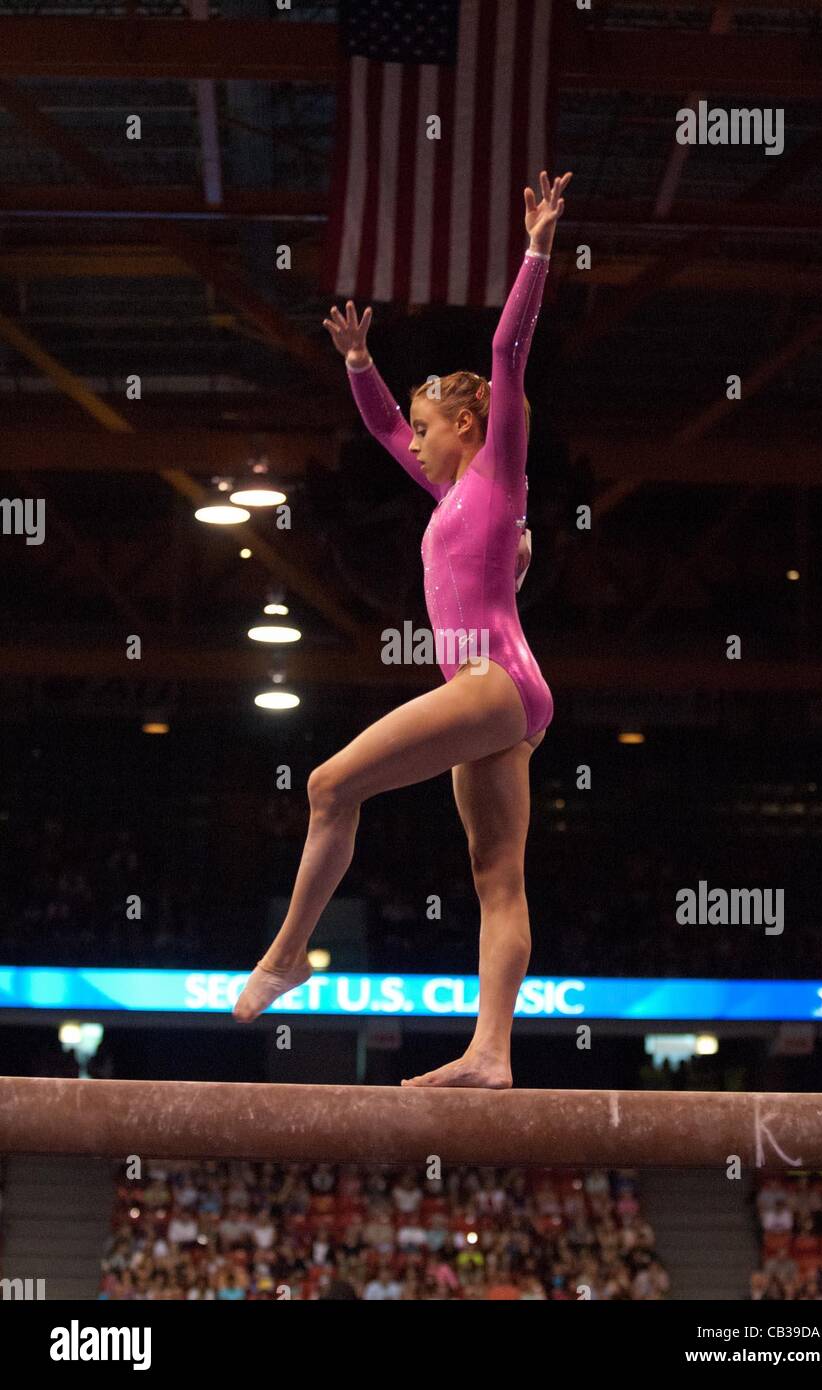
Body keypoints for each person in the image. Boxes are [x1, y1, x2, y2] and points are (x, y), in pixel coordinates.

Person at [233, 171, 572, 1090]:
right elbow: (383, 428)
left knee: (330, 784)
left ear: (469, 425)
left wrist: (537, 248)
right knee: (497, 874)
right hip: (507, 695)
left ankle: (289, 954)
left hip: (489, 680)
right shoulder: (457, 493)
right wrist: (358, 364)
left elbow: (510, 350)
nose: (413, 443)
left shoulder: (498, 475)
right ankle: (492, 1054)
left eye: (430, 428)